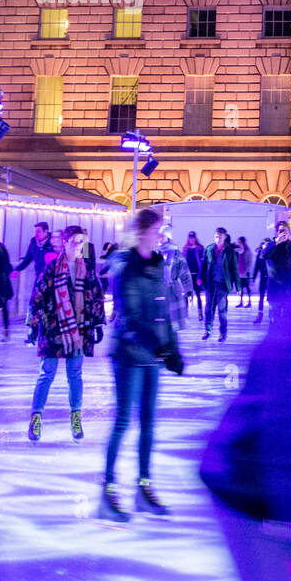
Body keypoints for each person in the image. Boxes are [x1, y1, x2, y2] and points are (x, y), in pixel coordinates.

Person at [100, 208, 183, 521]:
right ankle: (108, 491)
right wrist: (163, 350)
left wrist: (172, 348)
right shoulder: (128, 268)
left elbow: (162, 314)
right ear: (142, 232)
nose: (161, 236)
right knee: (123, 422)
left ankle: (143, 487)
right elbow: (131, 320)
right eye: (157, 230)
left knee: (148, 423)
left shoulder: (156, 265)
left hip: (151, 357)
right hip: (129, 355)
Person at [25, 225, 107, 442]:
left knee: (75, 375)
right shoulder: (52, 268)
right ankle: (36, 418)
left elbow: (96, 296)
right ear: (64, 242)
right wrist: (34, 323)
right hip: (53, 328)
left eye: (81, 242)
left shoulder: (87, 269)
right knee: (47, 374)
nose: (78, 245)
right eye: (74, 241)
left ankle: (76, 416)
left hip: (77, 331)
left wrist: (97, 323)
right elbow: (38, 295)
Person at [201, 227, 239, 341]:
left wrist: (238, 286)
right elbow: (203, 264)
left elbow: (234, 269)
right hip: (210, 284)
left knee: (222, 310)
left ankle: (223, 333)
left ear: (225, 237)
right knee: (208, 308)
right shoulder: (209, 248)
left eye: (220, 237)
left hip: (222, 285)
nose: (218, 239)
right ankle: (207, 330)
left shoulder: (230, 252)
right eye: (216, 237)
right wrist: (199, 277)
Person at [265, 220, 291, 325]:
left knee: (288, 317)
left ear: (289, 232)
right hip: (275, 287)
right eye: (280, 231)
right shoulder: (272, 245)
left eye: (285, 231)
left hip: (289, 287)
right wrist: (276, 243)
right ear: (277, 233)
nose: (283, 233)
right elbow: (265, 255)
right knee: (274, 317)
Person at [183, 232, 205, 324]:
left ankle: (200, 313)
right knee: (186, 295)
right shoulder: (185, 249)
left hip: (197, 275)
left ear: (195, 238)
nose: (192, 239)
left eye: (193, 238)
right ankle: (185, 313)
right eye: (190, 238)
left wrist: (200, 276)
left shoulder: (200, 249)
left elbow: (202, 264)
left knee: (198, 294)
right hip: (187, 275)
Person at [252, 236, 272, 323]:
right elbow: (256, 267)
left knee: (271, 298)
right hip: (263, 278)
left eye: (268, 245)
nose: (266, 246)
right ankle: (260, 315)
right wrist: (253, 278)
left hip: (272, 279)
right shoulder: (259, 255)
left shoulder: (272, 254)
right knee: (261, 297)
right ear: (262, 245)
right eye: (265, 245)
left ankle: (272, 316)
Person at [236, 236, 253, 307]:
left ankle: (249, 302)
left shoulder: (248, 251)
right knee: (240, 288)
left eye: (239, 242)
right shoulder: (239, 251)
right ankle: (241, 302)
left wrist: (248, 272)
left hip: (246, 273)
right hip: (240, 273)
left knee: (247, 287)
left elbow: (249, 262)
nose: (238, 243)